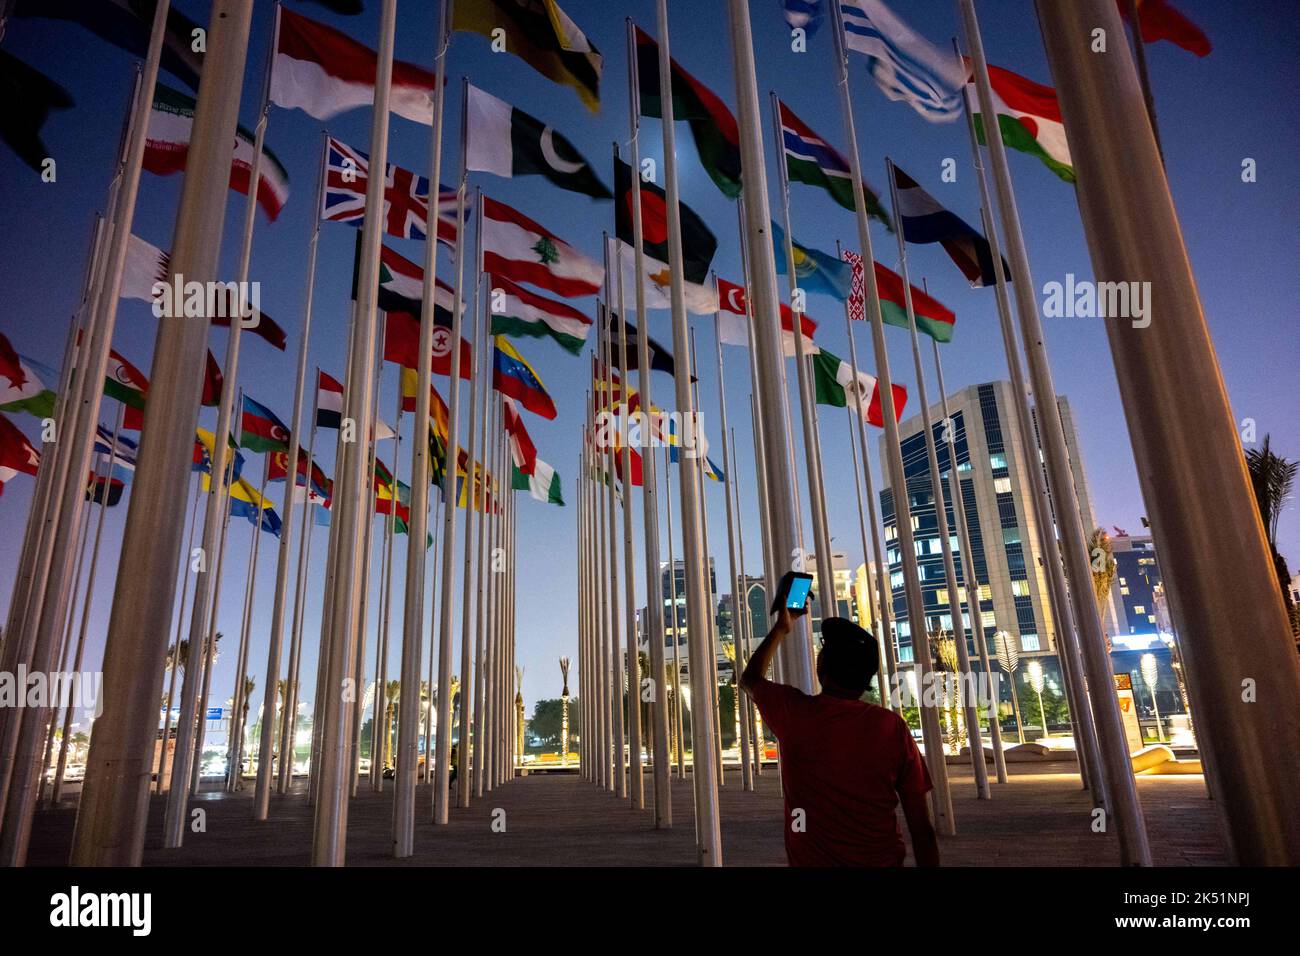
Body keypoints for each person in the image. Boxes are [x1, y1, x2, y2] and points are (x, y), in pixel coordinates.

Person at [739, 605, 940, 867]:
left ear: (823, 666)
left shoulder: (795, 714)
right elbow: (922, 829)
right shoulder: (891, 727)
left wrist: (781, 629)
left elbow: (750, 679)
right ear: (866, 678)